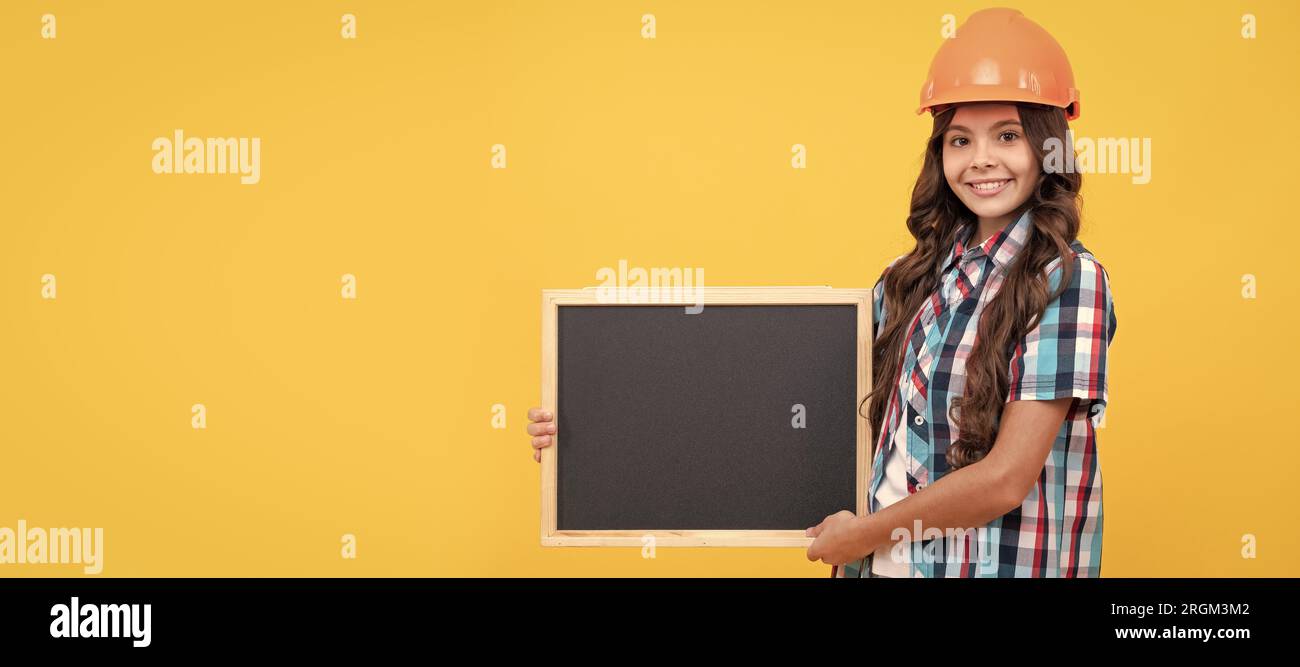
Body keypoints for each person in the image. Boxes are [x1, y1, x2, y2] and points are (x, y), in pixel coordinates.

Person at [528, 8, 1117, 577]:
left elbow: (1006, 478)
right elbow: (779, 398)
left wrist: (861, 534)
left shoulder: (1066, 280)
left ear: (1048, 149)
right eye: (959, 140)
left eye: (1007, 136)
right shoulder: (910, 277)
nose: (981, 160)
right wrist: (598, 422)